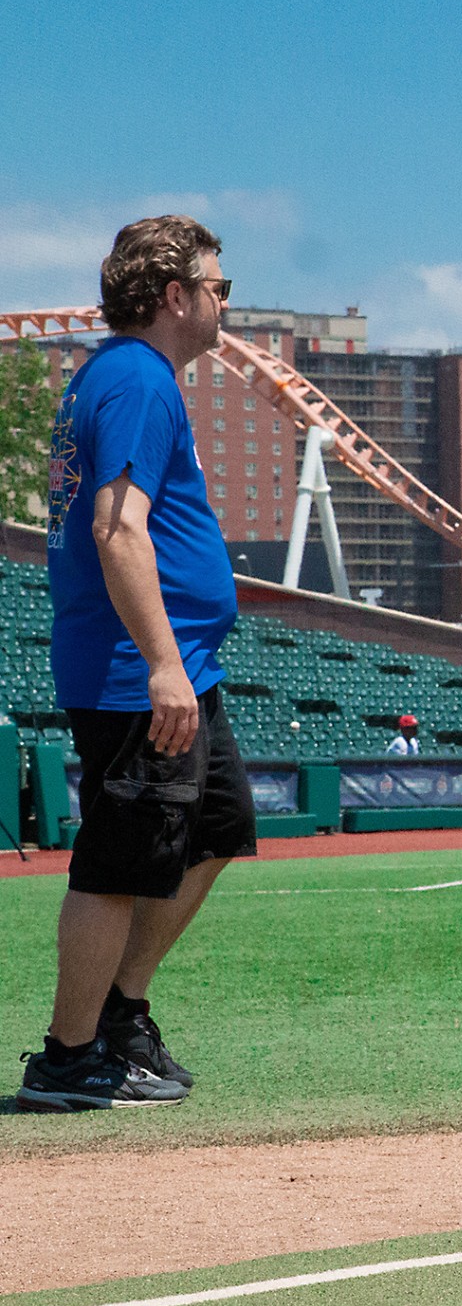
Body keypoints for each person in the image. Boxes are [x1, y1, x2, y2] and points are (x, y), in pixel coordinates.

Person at [18, 216, 247, 1113]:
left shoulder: (125, 376)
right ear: (175, 296)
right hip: (138, 669)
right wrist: (161, 663)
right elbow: (118, 529)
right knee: (117, 862)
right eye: (220, 287)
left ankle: (119, 1010)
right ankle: (68, 1057)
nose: (228, 302)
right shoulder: (138, 380)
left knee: (218, 826)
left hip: (181, 661)